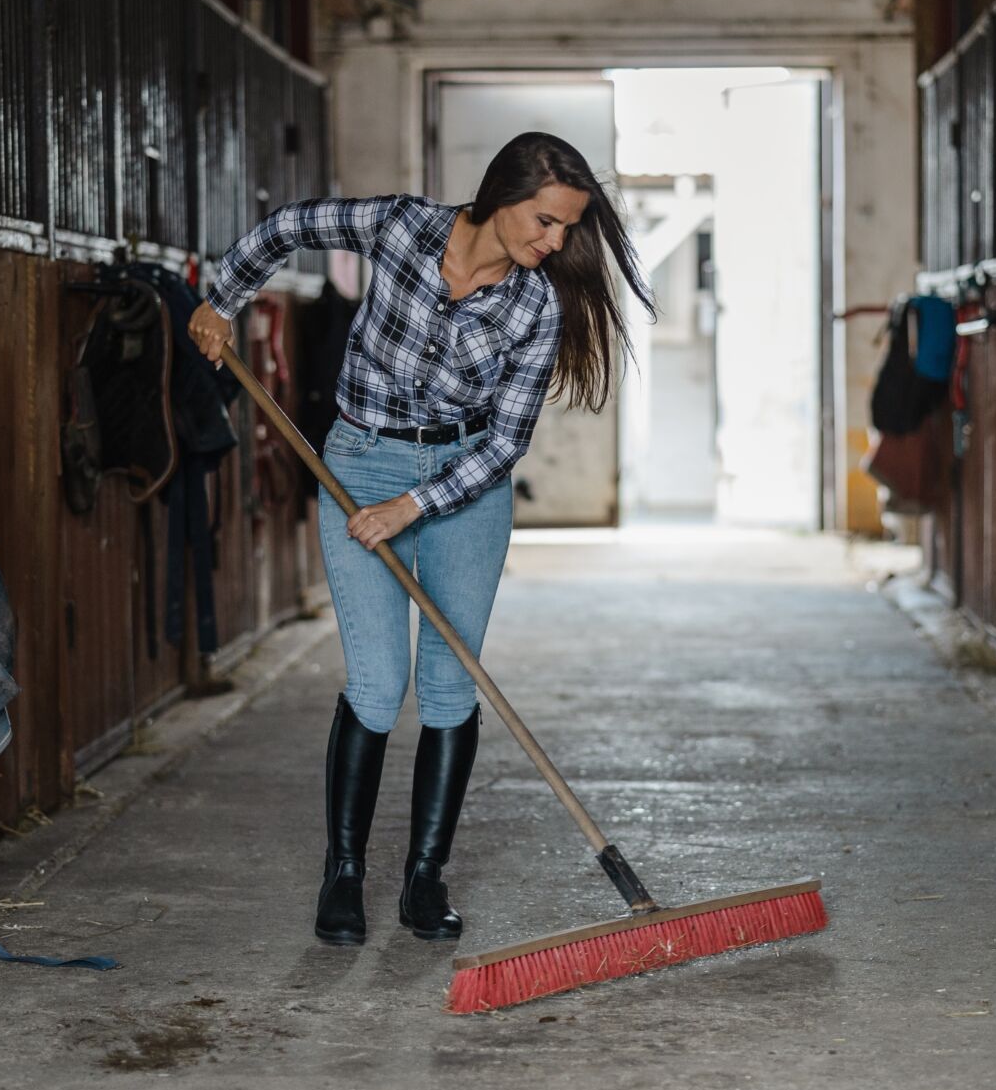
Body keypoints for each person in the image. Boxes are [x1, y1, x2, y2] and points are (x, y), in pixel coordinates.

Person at [189, 131, 651, 946]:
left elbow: (505, 443)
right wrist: (221, 299)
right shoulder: (401, 227)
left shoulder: (535, 306)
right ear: (503, 195)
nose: (554, 242)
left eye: (566, 230)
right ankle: (344, 874)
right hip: (360, 464)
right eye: (545, 221)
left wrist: (416, 505)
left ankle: (424, 880)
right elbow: (287, 226)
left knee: (451, 684)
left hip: (465, 486)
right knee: (376, 682)